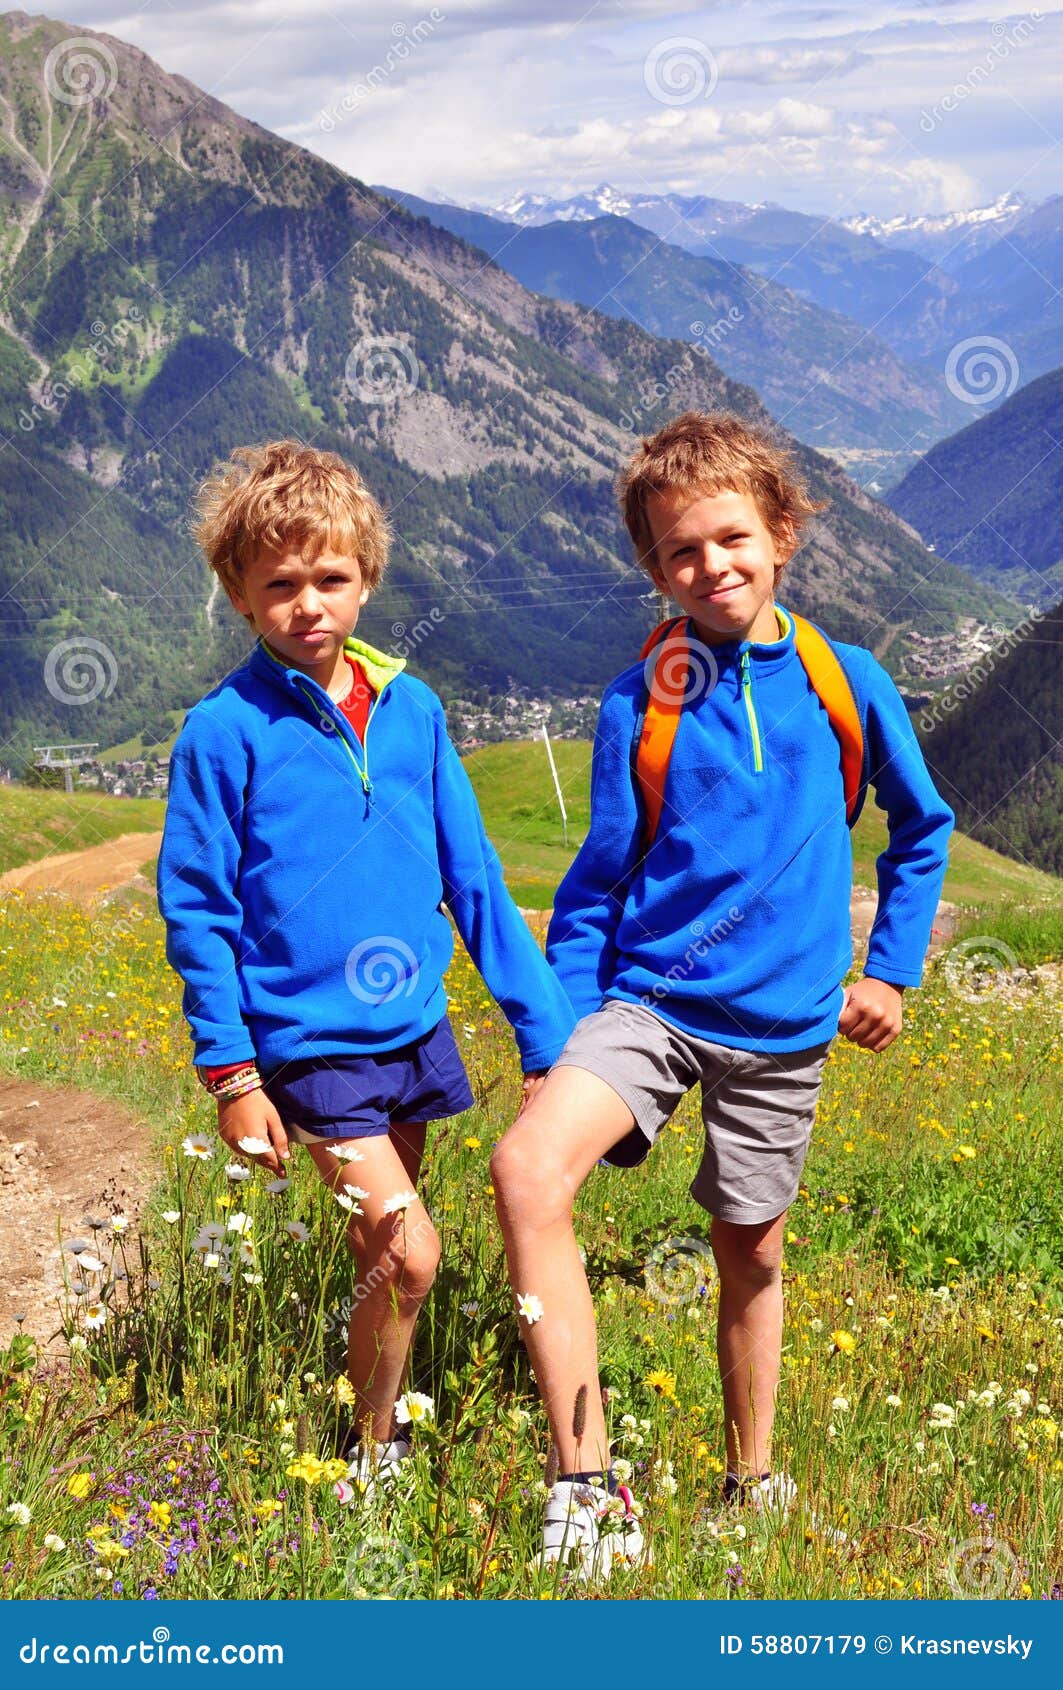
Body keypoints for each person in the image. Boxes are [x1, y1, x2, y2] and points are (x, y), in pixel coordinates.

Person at [490, 409, 954, 1577]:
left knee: (747, 1251)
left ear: (783, 533)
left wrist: (891, 969)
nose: (713, 567)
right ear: (653, 567)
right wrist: (556, 1034)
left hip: (784, 1028)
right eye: (681, 552)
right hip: (646, 1005)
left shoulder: (845, 683)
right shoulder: (634, 701)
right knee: (524, 1169)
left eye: (733, 538)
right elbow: (597, 882)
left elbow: (922, 828)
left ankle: (752, 1480)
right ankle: (587, 1488)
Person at [157, 438, 574, 1491]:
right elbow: (198, 910)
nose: (308, 604)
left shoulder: (415, 712)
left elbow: (475, 878)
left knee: (382, 1263)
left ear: (367, 578)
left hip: (412, 1032)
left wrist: (544, 1032)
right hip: (305, 1045)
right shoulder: (223, 733)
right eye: (279, 584)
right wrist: (234, 1075)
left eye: (330, 579)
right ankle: (372, 1455)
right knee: (414, 1251)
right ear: (240, 596)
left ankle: (370, 1433)